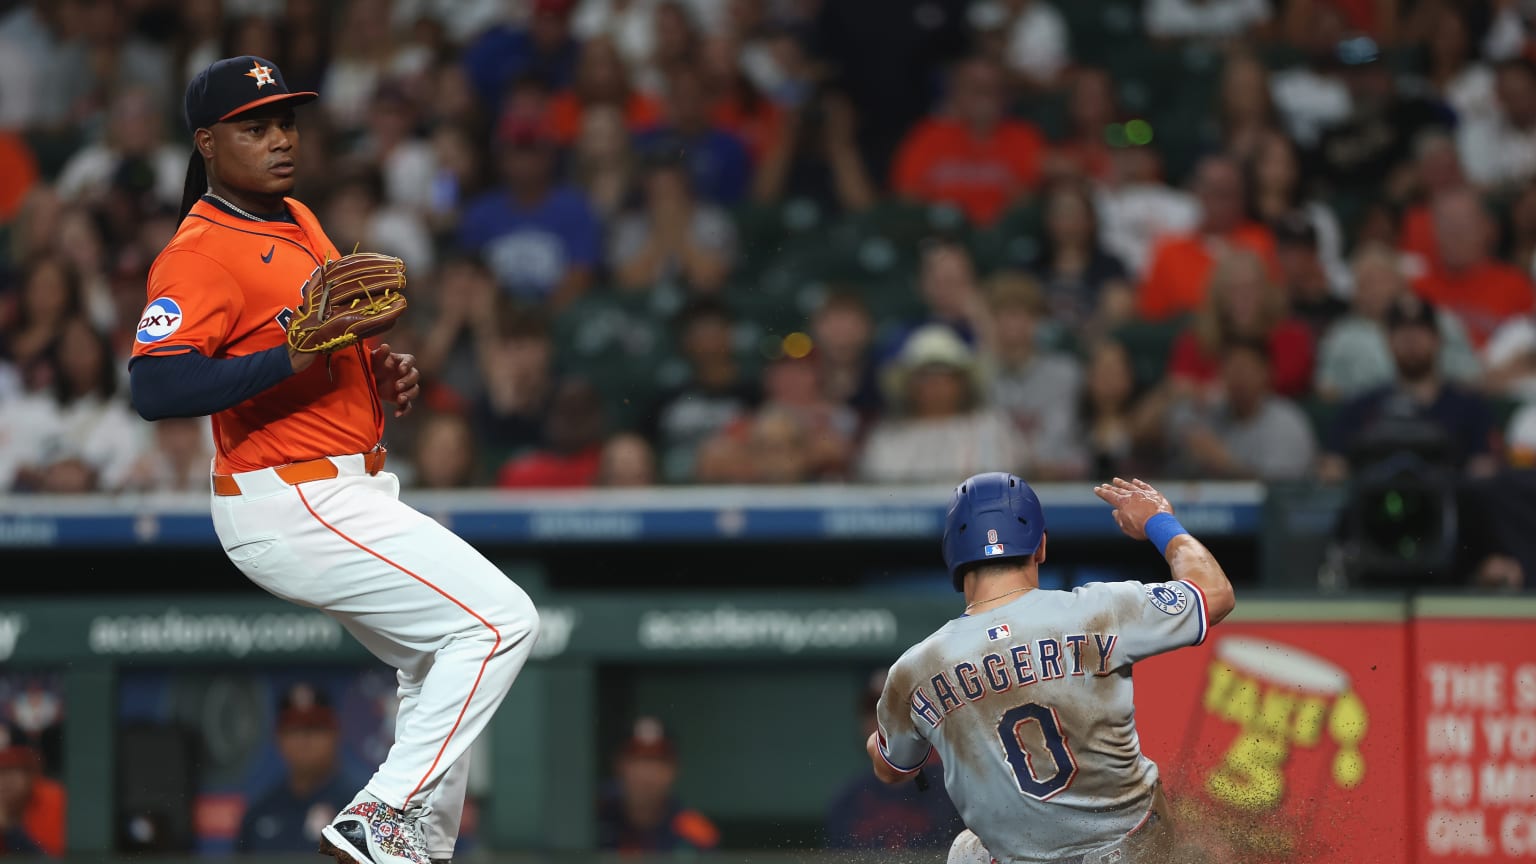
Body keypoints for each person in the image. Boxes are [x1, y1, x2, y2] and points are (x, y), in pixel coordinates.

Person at [126, 56, 541, 864]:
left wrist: (372, 372)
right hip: (289, 498)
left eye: (286, 121)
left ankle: (415, 847)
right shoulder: (201, 250)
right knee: (502, 622)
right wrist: (291, 354)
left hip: (341, 485)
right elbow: (156, 384)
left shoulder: (296, 217)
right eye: (256, 126)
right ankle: (377, 818)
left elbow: (318, 345)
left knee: (437, 655)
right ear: (208, 142)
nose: (280, 138)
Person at [867, 473, 1236, 863]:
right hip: (1135, 847)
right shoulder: (1099, 609)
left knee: (967, 852)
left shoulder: (914, 670)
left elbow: (892, 770)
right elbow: (1215, 593)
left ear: (952, 557)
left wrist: (888, 740)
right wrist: (1158, 520)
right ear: (1040, 546)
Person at [825, 671, 963, 849]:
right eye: (874, 710)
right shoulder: (847, 801)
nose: (884, 720)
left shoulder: (952, 789)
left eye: (895, 710)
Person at [237, 684, 364, 854]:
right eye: (294, 729)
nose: (305, 739)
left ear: (335, 733)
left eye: (315, 727)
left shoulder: (362, 806)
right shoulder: (260, 812)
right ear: (278, 738)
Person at [596, 717, 719, 853]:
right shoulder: (594, 816)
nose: (648, 771)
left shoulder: (694, 832)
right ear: (619, 765)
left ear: (674, 770)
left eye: (658, 761)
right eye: (638, 759)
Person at [0, 722, 64, 856]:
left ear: (31, 771)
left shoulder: (56, 800)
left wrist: (11, 830)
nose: (4, 779)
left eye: (12, 768)